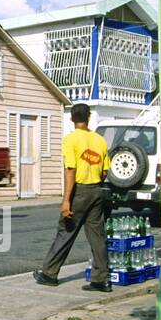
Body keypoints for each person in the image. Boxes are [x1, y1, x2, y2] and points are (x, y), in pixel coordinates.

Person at [33, 103, 112, 292]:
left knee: (66, 231)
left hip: (79, 191)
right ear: (89, 117)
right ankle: (101, 279)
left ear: (71, 119)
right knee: (97, 235)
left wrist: (66, 200)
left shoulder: (70, 140)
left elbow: (71, 170)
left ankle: (49, 273)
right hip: (96, 190)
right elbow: (105, 171)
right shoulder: (100, 140)